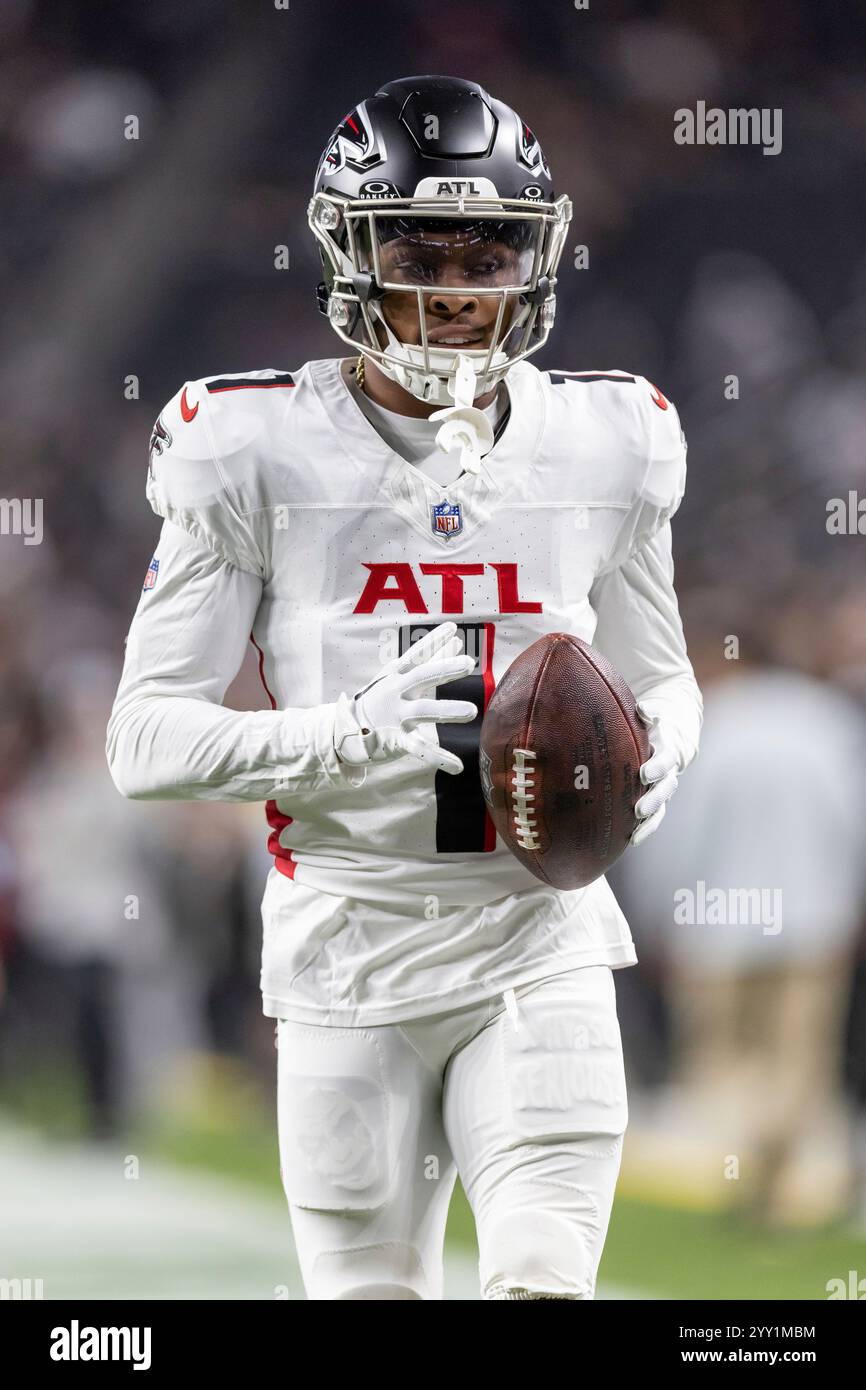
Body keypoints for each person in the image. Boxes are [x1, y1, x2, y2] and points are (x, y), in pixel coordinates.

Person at [106, 75, 701, 1300]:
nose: (457, 288)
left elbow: (663, 677)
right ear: (347, 252)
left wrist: (662, 748)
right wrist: (340, 736)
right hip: (345, 943)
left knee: (544, 1282)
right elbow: (141, 741)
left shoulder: (613, 438)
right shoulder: (245, 445)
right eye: (419, 249)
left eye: (489, 252)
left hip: (534, 934)